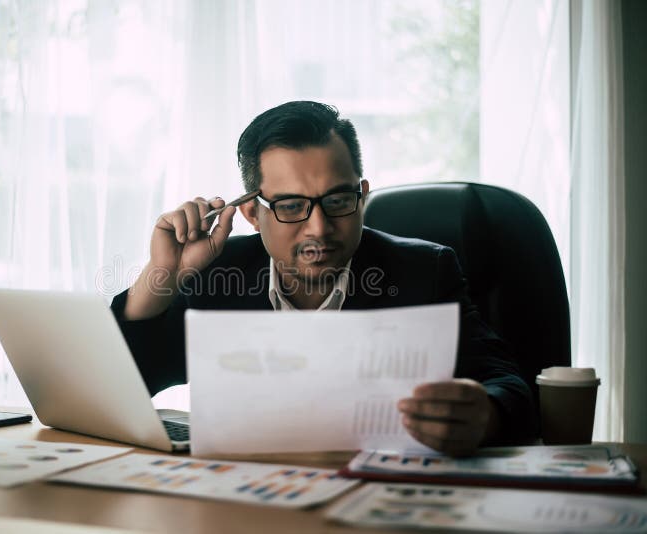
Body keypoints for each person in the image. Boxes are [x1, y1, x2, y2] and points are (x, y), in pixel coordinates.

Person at [110, 100, 537, 456]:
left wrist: (487, 414)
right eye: (292, 205)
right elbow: (121, 393)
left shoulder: (424, 273)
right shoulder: (218, 272)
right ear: (252, 213)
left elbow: (511, 387)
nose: (318, 227)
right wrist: (162, 276)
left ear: (363, 196)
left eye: (337, 199)